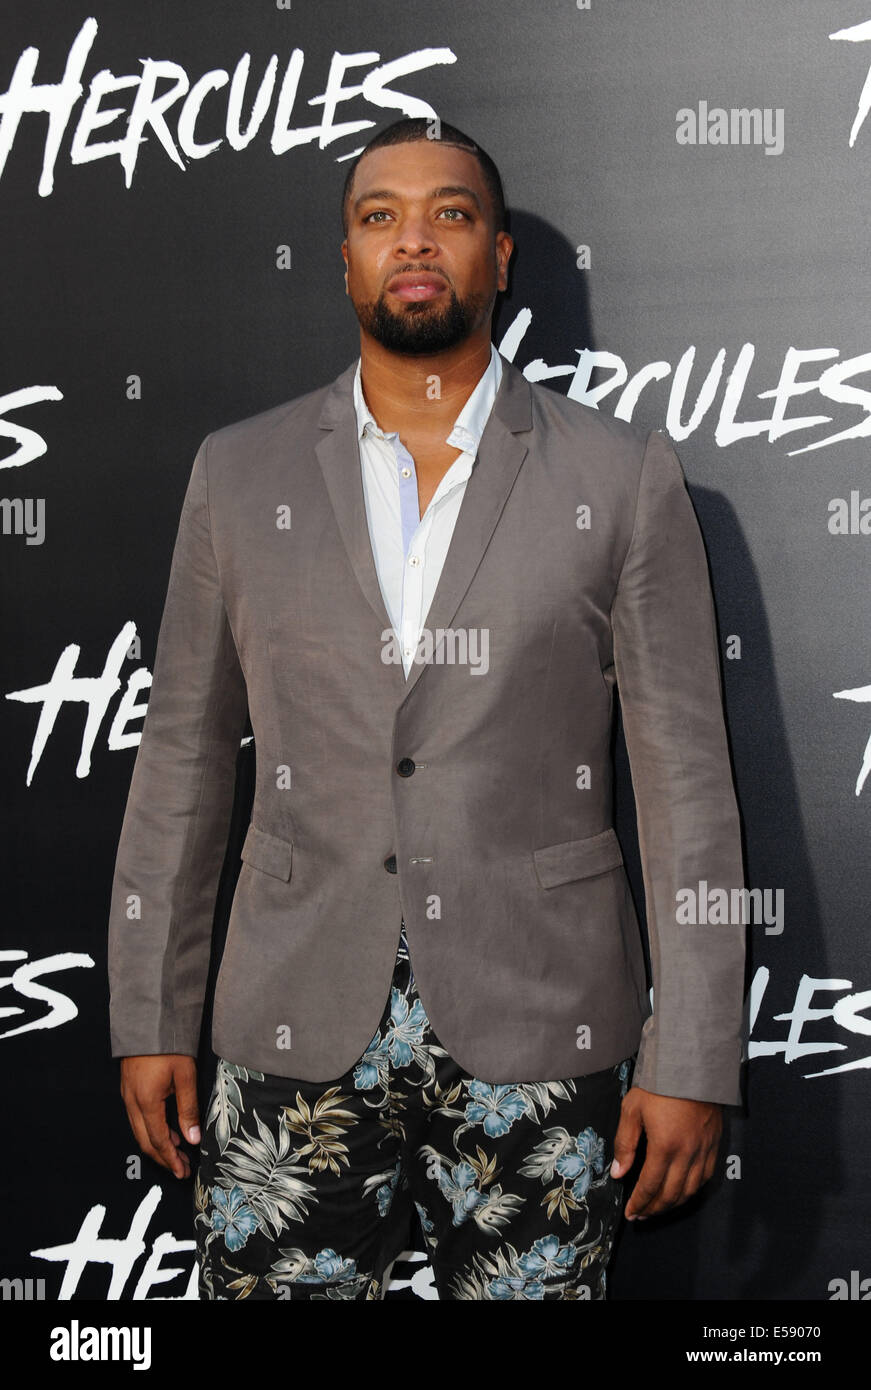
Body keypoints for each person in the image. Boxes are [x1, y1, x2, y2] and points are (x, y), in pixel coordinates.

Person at [108, 117, 746, 1301]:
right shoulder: (238, 475)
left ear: (499, 257)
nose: (415, 239)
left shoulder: (620, 475)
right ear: (343, 257)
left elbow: (688, 790)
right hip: (291, 1018)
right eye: (378, 214)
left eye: (450, 213)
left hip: (546, 1026)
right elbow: (183, 763)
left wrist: (697, 1053)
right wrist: (150, 1011)